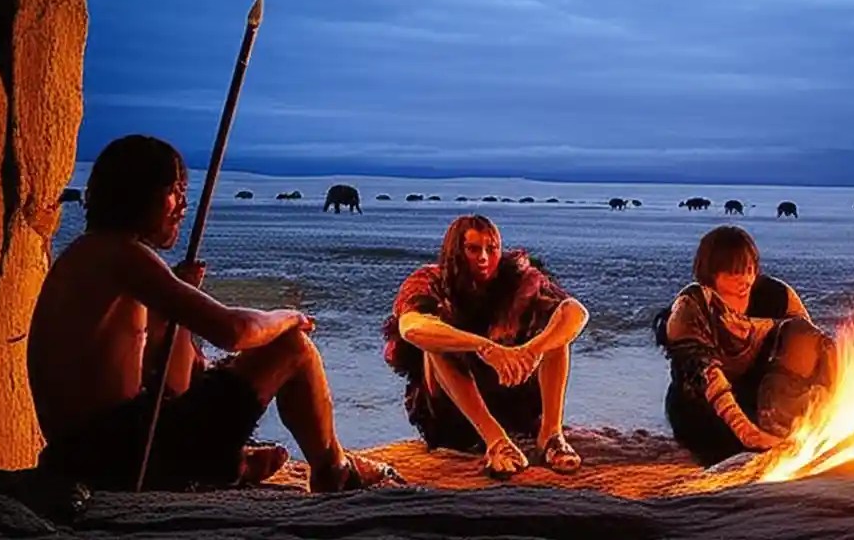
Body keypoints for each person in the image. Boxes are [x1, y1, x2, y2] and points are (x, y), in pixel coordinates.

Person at [29, 135, 398, 492]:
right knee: (293, 349)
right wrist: (288, 317)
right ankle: (333, 467)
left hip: (89, 451)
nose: (182, 206)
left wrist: (176, 298)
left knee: (203, 374)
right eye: (174, 191)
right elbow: (233, 331)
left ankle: (228, 463)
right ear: (139, 194)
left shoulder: (91, 256)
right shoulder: (120, 255)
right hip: (119, 452)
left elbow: (174, 380)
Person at [382, 215, 589, 479]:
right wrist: (486, 348)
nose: (483, 258)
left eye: (491, 249)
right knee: (434, 343)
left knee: (554, 331)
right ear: (455, 251)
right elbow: (412, 328)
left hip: (511, 396)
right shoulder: (429, 280)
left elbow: (575, 311)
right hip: (451, 411)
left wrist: (532, 350)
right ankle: (496, 441)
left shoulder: (518, 278)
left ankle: (551, 435)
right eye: (473, 249)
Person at [652, 226, 836, 466]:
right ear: (711, 274)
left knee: (800, 339)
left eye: (749, 270)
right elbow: (705, 374)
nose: (744, 280)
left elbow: (811, 344)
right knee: (727, 450)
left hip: (762, 396)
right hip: (704, 409)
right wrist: (747, 433)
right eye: (733, 273)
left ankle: (783, 428)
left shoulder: (778, 296)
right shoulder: (691, 307)